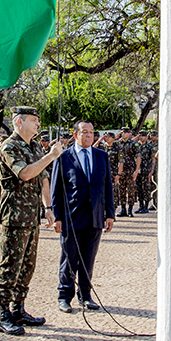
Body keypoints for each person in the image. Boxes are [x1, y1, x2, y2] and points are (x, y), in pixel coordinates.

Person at [0, 106, 64, 336]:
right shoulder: (9, 147)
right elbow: (25, 173)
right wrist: (51, 156)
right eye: (33, 120)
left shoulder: (34, 146)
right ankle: (3, 314)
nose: (37, 124)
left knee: (28, 266)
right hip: (14, 216)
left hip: (32, 215)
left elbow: (43, 178)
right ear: (19, 122)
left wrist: (48, 208)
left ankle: (18, 308)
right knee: (11, 265)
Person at [50, 120, 115, 313]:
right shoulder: (63, 157)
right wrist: (57, 216)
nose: (89, 135)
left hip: (95, 217)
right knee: (69, 259)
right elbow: (56, 190)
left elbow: (107, 188)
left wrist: (110, 214)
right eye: (85, 132)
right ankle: (64, 296)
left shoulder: (102, 156)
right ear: (76, 134)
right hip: (71, 216)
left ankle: (85, 295)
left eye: (92, 132)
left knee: (88, 259)